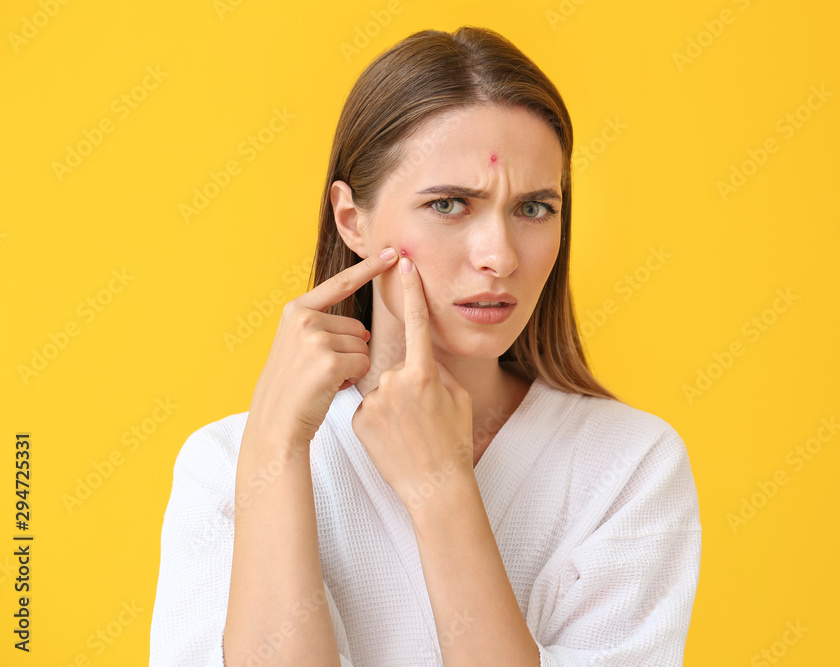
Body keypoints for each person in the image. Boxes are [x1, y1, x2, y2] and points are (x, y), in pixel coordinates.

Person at [150, 25, 701, 667]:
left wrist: (443, 490)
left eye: (534, 209)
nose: (498, 257)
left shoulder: (628, 464)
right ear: (352, 220)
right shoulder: (226, 463)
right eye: (448, 205)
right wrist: (273, 448)